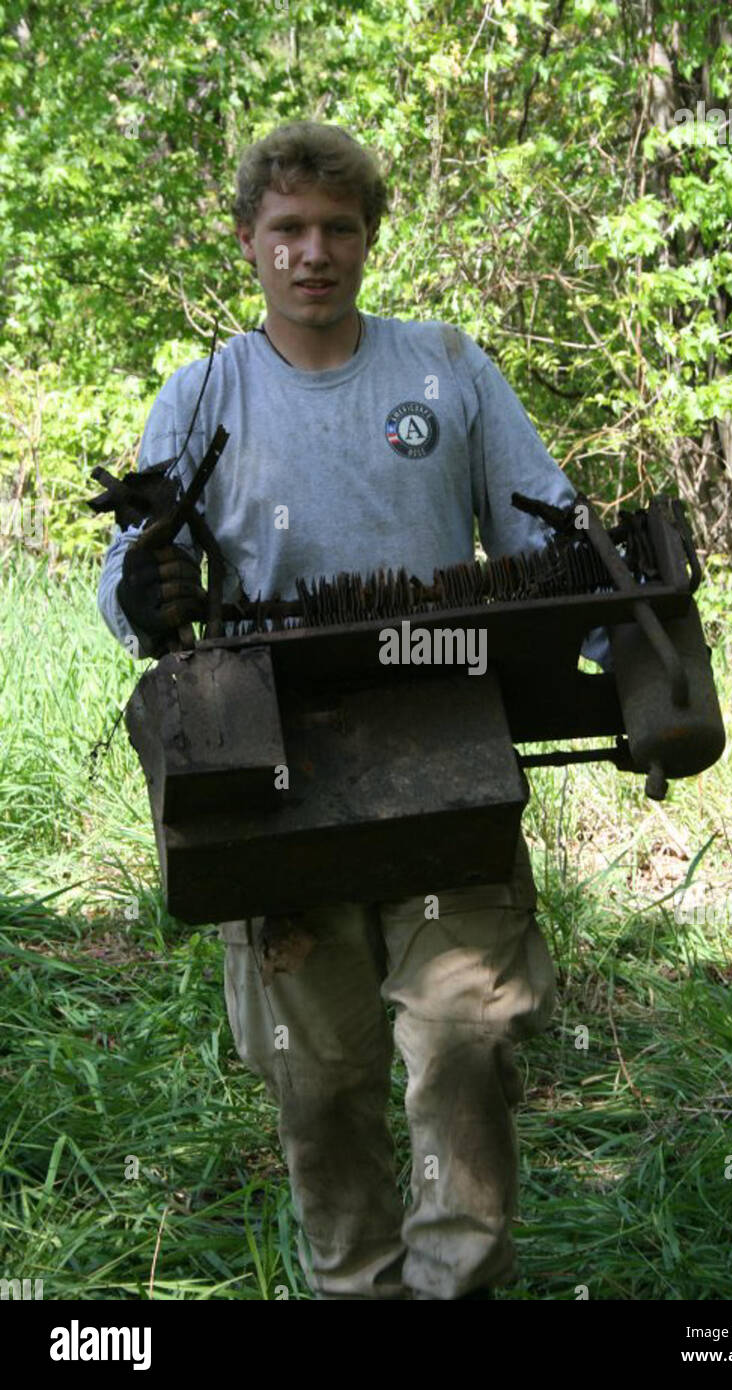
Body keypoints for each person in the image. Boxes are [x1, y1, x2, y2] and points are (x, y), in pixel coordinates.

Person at [98, 120, 609, 1301]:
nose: (312, 252)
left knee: (464, 1044)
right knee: (320, 1080)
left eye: (337, 228)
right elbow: (129, 582)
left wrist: (617, 633)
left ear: (370, 237)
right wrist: (141, 585)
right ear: (248, 242)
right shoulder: (205, 392)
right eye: (286, 230)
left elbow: (545, 531)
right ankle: (356, 1287)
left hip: (449, 751)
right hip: (273, 774)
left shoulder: (442, 368)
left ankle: (456, 1286)